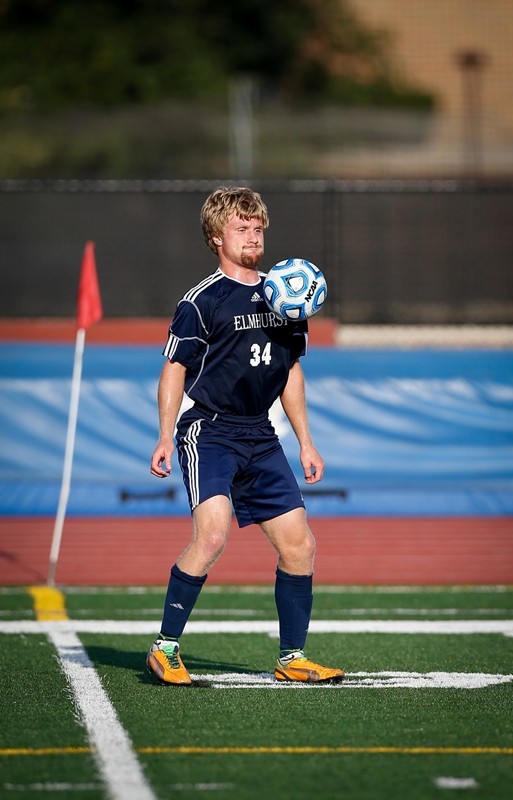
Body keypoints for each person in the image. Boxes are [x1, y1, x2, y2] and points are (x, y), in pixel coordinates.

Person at [146, 186, 344, 685]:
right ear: (217, 238)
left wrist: (306, 441)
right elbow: (174, 370)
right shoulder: (200, 301)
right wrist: (165, 436)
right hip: (208, 432)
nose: (253, 236)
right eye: (242, 228)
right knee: (212, 535)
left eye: (258, 228)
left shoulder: (287, 294)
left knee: (300, 545)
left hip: (261, 436)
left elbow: (290, 372)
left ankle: (292, 658)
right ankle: (165, 647)